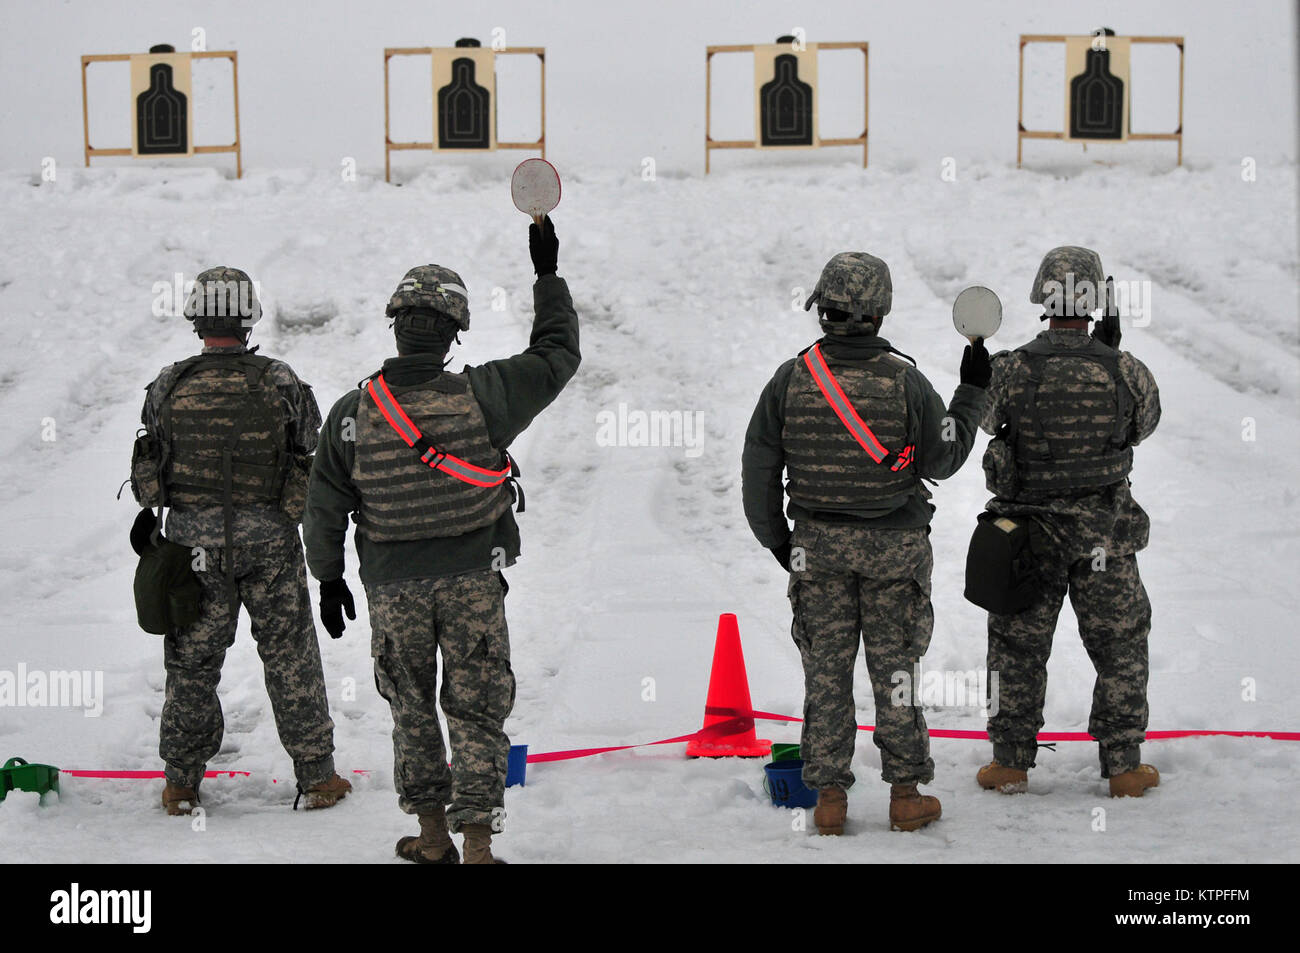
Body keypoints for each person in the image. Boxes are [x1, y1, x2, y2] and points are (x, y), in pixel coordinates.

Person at [303, 217, 579, 864]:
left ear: (396, 325)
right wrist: (546, 274)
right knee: (478, 707)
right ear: (456, 333)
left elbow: (325, 504)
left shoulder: (352, 412)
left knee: (410, 707)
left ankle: (431, 836)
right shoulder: (487, 395)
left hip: (391, 584)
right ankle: (478, 841)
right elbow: (558, 353)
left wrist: (330, 576)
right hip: (473, 578)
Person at [742, 252, 989, 834]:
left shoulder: (790, 378)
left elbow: (758, 469)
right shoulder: (906, 380)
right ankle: (905, 795)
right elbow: (944, 457)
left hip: (817, 549)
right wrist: (972, 393)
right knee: (896, 673)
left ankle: (829, 800)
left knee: (825, 676)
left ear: (822, 308)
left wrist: (781, 542)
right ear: (880, 311)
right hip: (895, 552)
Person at [130, 266, 349, 816]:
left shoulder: (169, 383)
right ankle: (318, 778)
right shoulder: (279, 379)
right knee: (291, 657)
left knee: (191, 664)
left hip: (191, 549)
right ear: (247, 317)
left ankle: (181, 784)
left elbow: (151, 457)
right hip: (270, 543)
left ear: (198, 319)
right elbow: (311, 449)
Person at [976, 246, 1161, 798]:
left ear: (1042, 298)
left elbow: (983, 419)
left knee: (1015, 648)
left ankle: (1010, 763)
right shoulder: (1127, 371)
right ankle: (1124, 765)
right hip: (1104, 535)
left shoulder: (1010, 369)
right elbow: (1144, 424)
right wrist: (1107, 357)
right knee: (1121, 644)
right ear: (1098, 303)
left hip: (1028, 537)